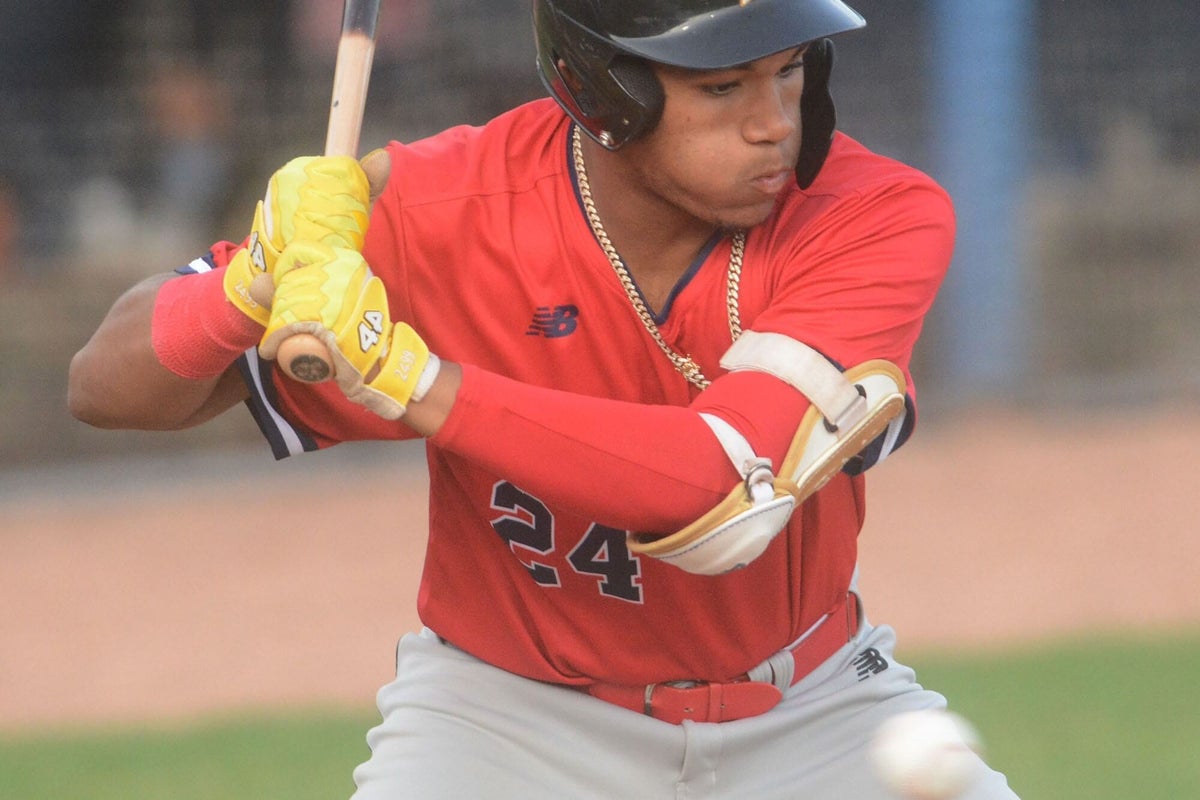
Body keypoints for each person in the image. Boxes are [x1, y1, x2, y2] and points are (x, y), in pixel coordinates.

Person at [69, 1, 1020, 797]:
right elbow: (104, 387)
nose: (775, 121)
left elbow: (719, 493)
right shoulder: (449, 209)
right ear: (607, 90)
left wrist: (416, 382)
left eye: (788, 73)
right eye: (723, 86)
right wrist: (251, 286)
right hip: (506, 723)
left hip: (813, 708)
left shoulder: (873, 215)